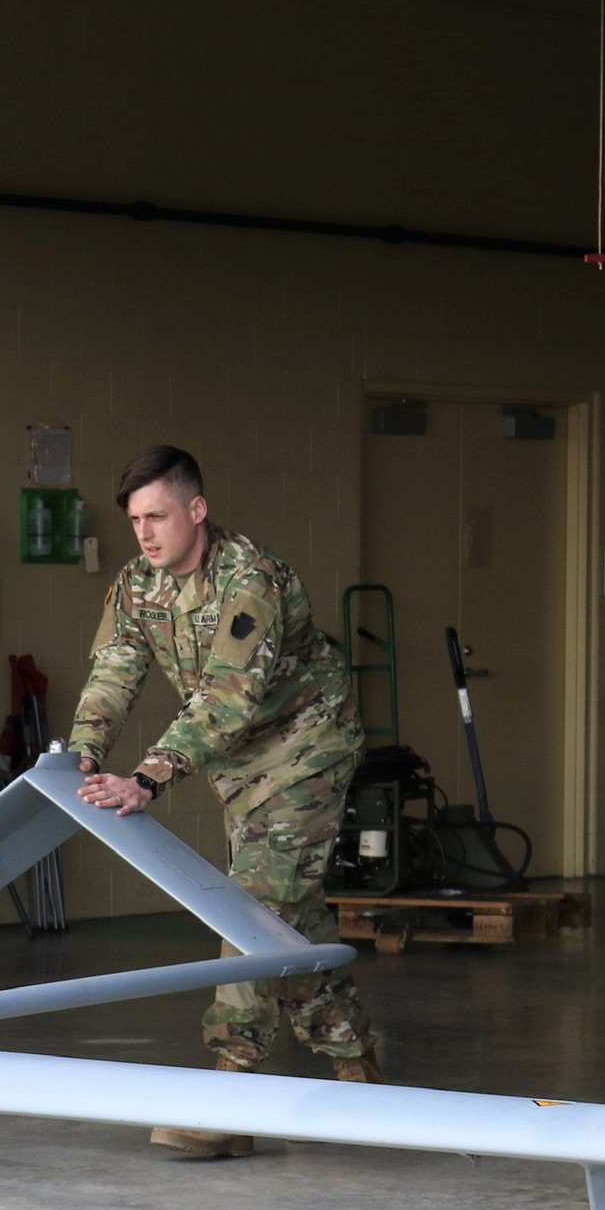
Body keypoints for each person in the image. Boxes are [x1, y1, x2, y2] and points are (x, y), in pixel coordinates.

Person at [66, 445, 380, 1159]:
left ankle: (229, 1089)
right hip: (237, 770)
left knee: (251, 908)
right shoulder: (137, 583)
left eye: (159, 516)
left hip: (304, 753)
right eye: (135, 520)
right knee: (281, 915)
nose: (145, 533)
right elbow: (115, 667)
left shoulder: (252, 578)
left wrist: (145, 777)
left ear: (196, 510)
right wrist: (82, 750)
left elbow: (227, 697)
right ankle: (355, 1061)